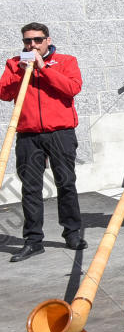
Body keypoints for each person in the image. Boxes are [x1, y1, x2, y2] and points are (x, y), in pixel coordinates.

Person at [1, 22, 83, 260]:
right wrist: (20, 71)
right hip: (28, 134)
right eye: (28, 41)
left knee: (66, 183)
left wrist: (43, 68)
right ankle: (33, 240)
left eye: (37, 40)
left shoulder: (66, 61)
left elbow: (72, 88)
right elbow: (4, 93)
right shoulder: (14, 63)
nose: (32, 45)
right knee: (30, 188)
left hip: (60, 133)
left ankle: (72, 233)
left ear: (48, 40)